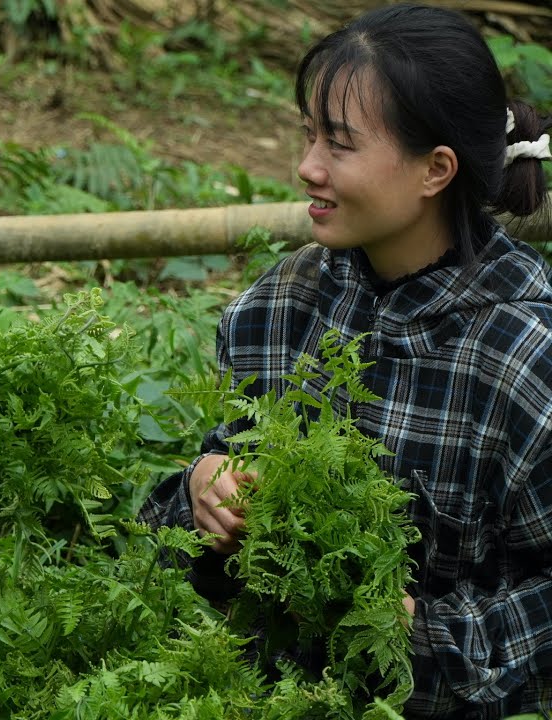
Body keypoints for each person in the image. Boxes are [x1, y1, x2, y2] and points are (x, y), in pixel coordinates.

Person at [138, 4, 552, 718]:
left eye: (340, 144)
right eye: (307, 135)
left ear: (436, 170)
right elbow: (191, 540)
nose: (306, 167)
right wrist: (202, 495)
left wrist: (411, 633)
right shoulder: (282, 306)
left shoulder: (523, 360)